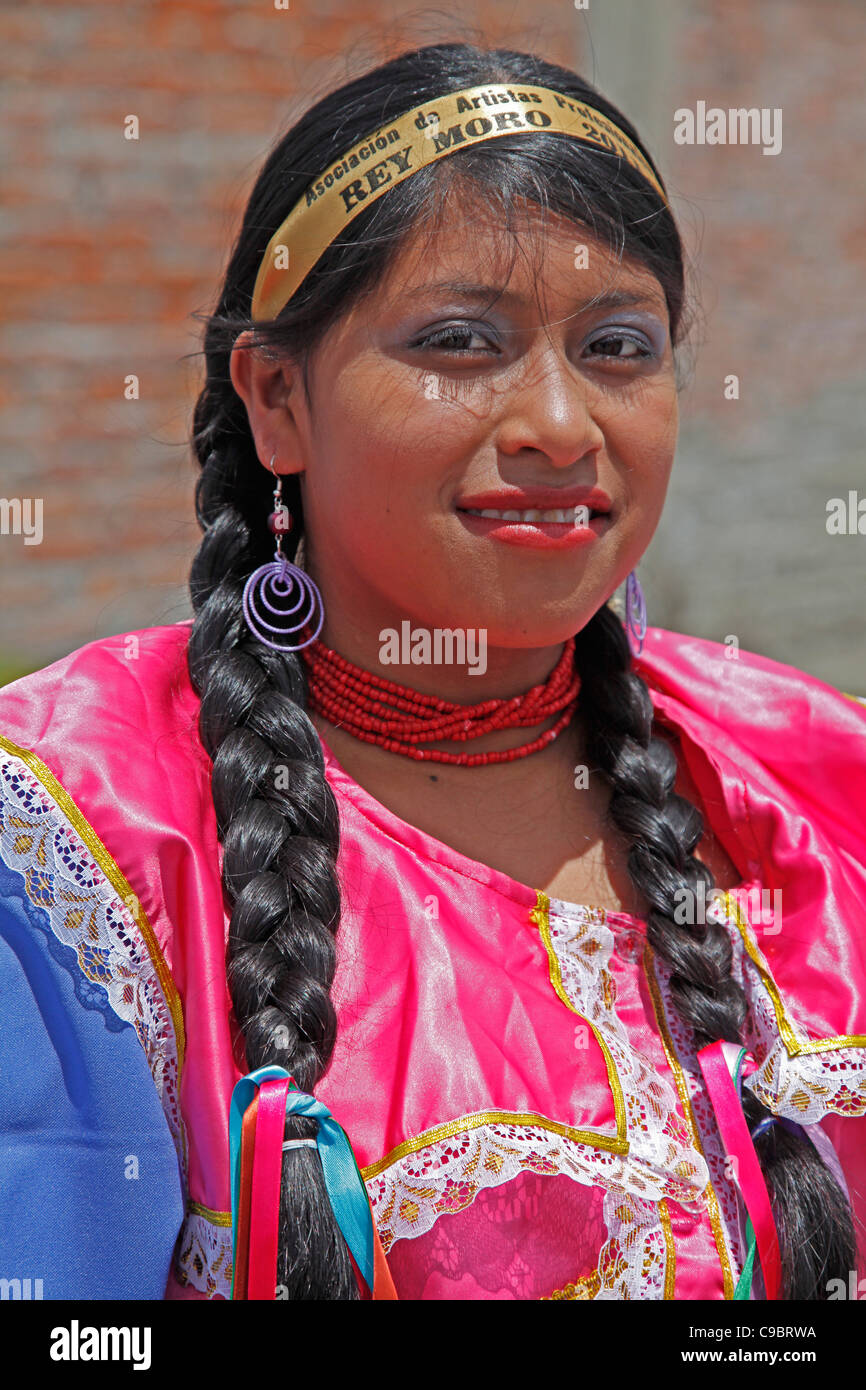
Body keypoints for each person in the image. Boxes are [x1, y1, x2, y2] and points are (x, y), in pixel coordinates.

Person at [1, 40, 864, 1303]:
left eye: (619, 347)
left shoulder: (817, 780)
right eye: (461, 342)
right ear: (277, 397)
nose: (560, 427)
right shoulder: (81, 839)